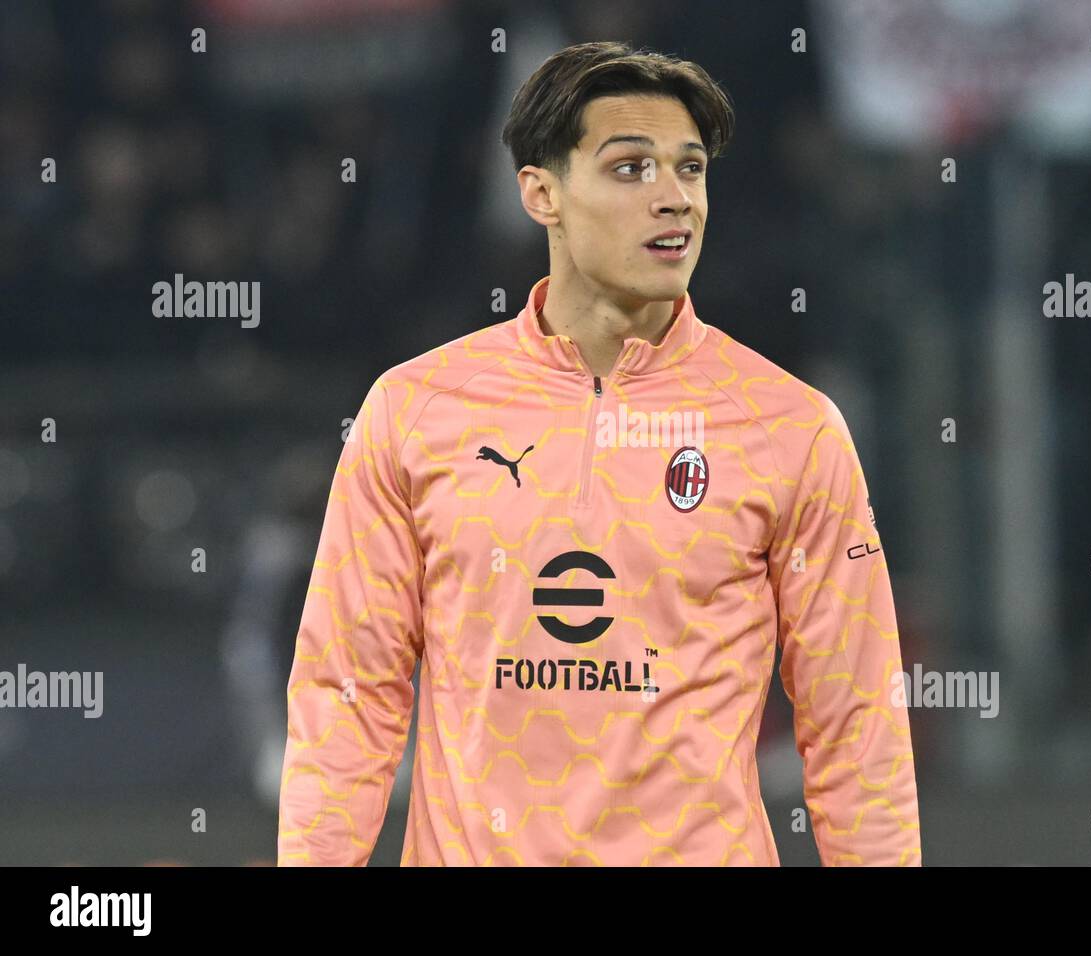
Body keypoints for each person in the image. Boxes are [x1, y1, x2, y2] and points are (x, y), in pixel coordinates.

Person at [278, 40, 921, 866]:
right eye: (630, 169)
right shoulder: (414, 412)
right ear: (541, 194)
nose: (674, 200)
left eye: (690, 171)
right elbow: (348, 691)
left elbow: (855, 714)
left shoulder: (790, 426)